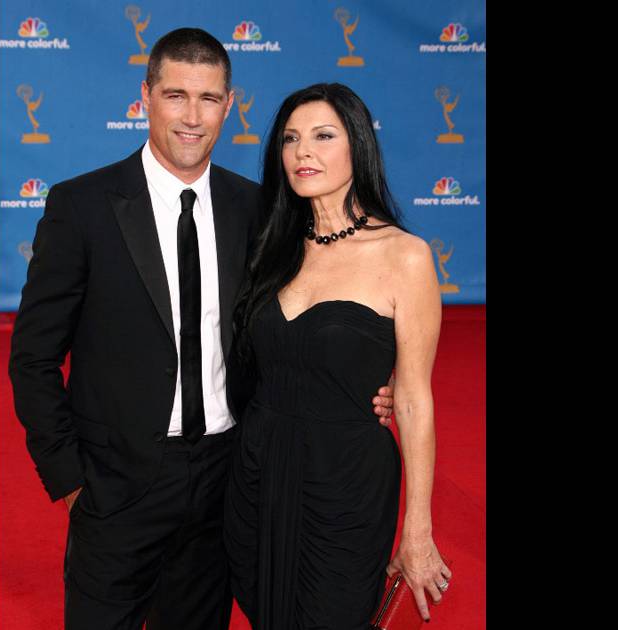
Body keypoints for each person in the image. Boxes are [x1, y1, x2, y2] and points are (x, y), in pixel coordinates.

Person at [8, 30, 394, 630]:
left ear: (229, 105)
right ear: (145, 97)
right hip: (117, 484)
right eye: (176, 95)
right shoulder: (82, 206)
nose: (192, 117)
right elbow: (32, 357)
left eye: (209, 98)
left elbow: (307, 317)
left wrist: (367, 384)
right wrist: (71, 480)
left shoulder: (258, 209)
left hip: (226, 477)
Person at [224, 83, 453, 629]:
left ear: (358, 146)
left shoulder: (405, 256)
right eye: (290, 139)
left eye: (323, 136)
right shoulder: (269, 244)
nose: (303, 151)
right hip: (258, 472)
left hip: (347, 482)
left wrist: (417, 530)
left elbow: (413, 399)